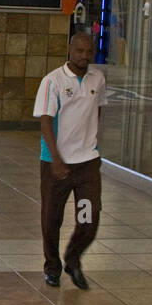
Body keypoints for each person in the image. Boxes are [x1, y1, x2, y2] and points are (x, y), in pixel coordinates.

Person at [34, 30, 107, 291]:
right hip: (56, 165)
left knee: (89, 217)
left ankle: (73, 259)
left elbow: (96, 111)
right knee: (52, 218)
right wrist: (55, 159)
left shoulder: (97, 79)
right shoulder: (52, 81)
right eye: (80, 51)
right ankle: (52, 267)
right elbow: (44, 121)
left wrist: (91, 143)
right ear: (70, 49)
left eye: (89, 52)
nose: (85, 56)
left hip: (87, 164)